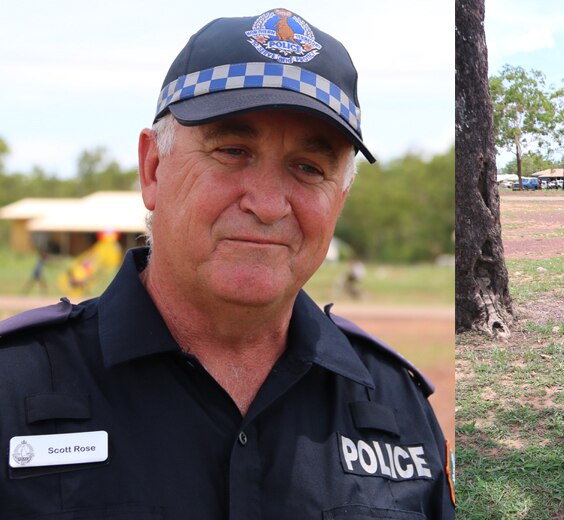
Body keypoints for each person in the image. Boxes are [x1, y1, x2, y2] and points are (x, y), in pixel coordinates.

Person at [0, 8, 454, 519]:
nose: (267, 203)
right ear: (152, 170)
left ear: (339, 201)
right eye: (233, 150)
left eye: (308, 168)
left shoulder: (398, 404)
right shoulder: (12, 387)